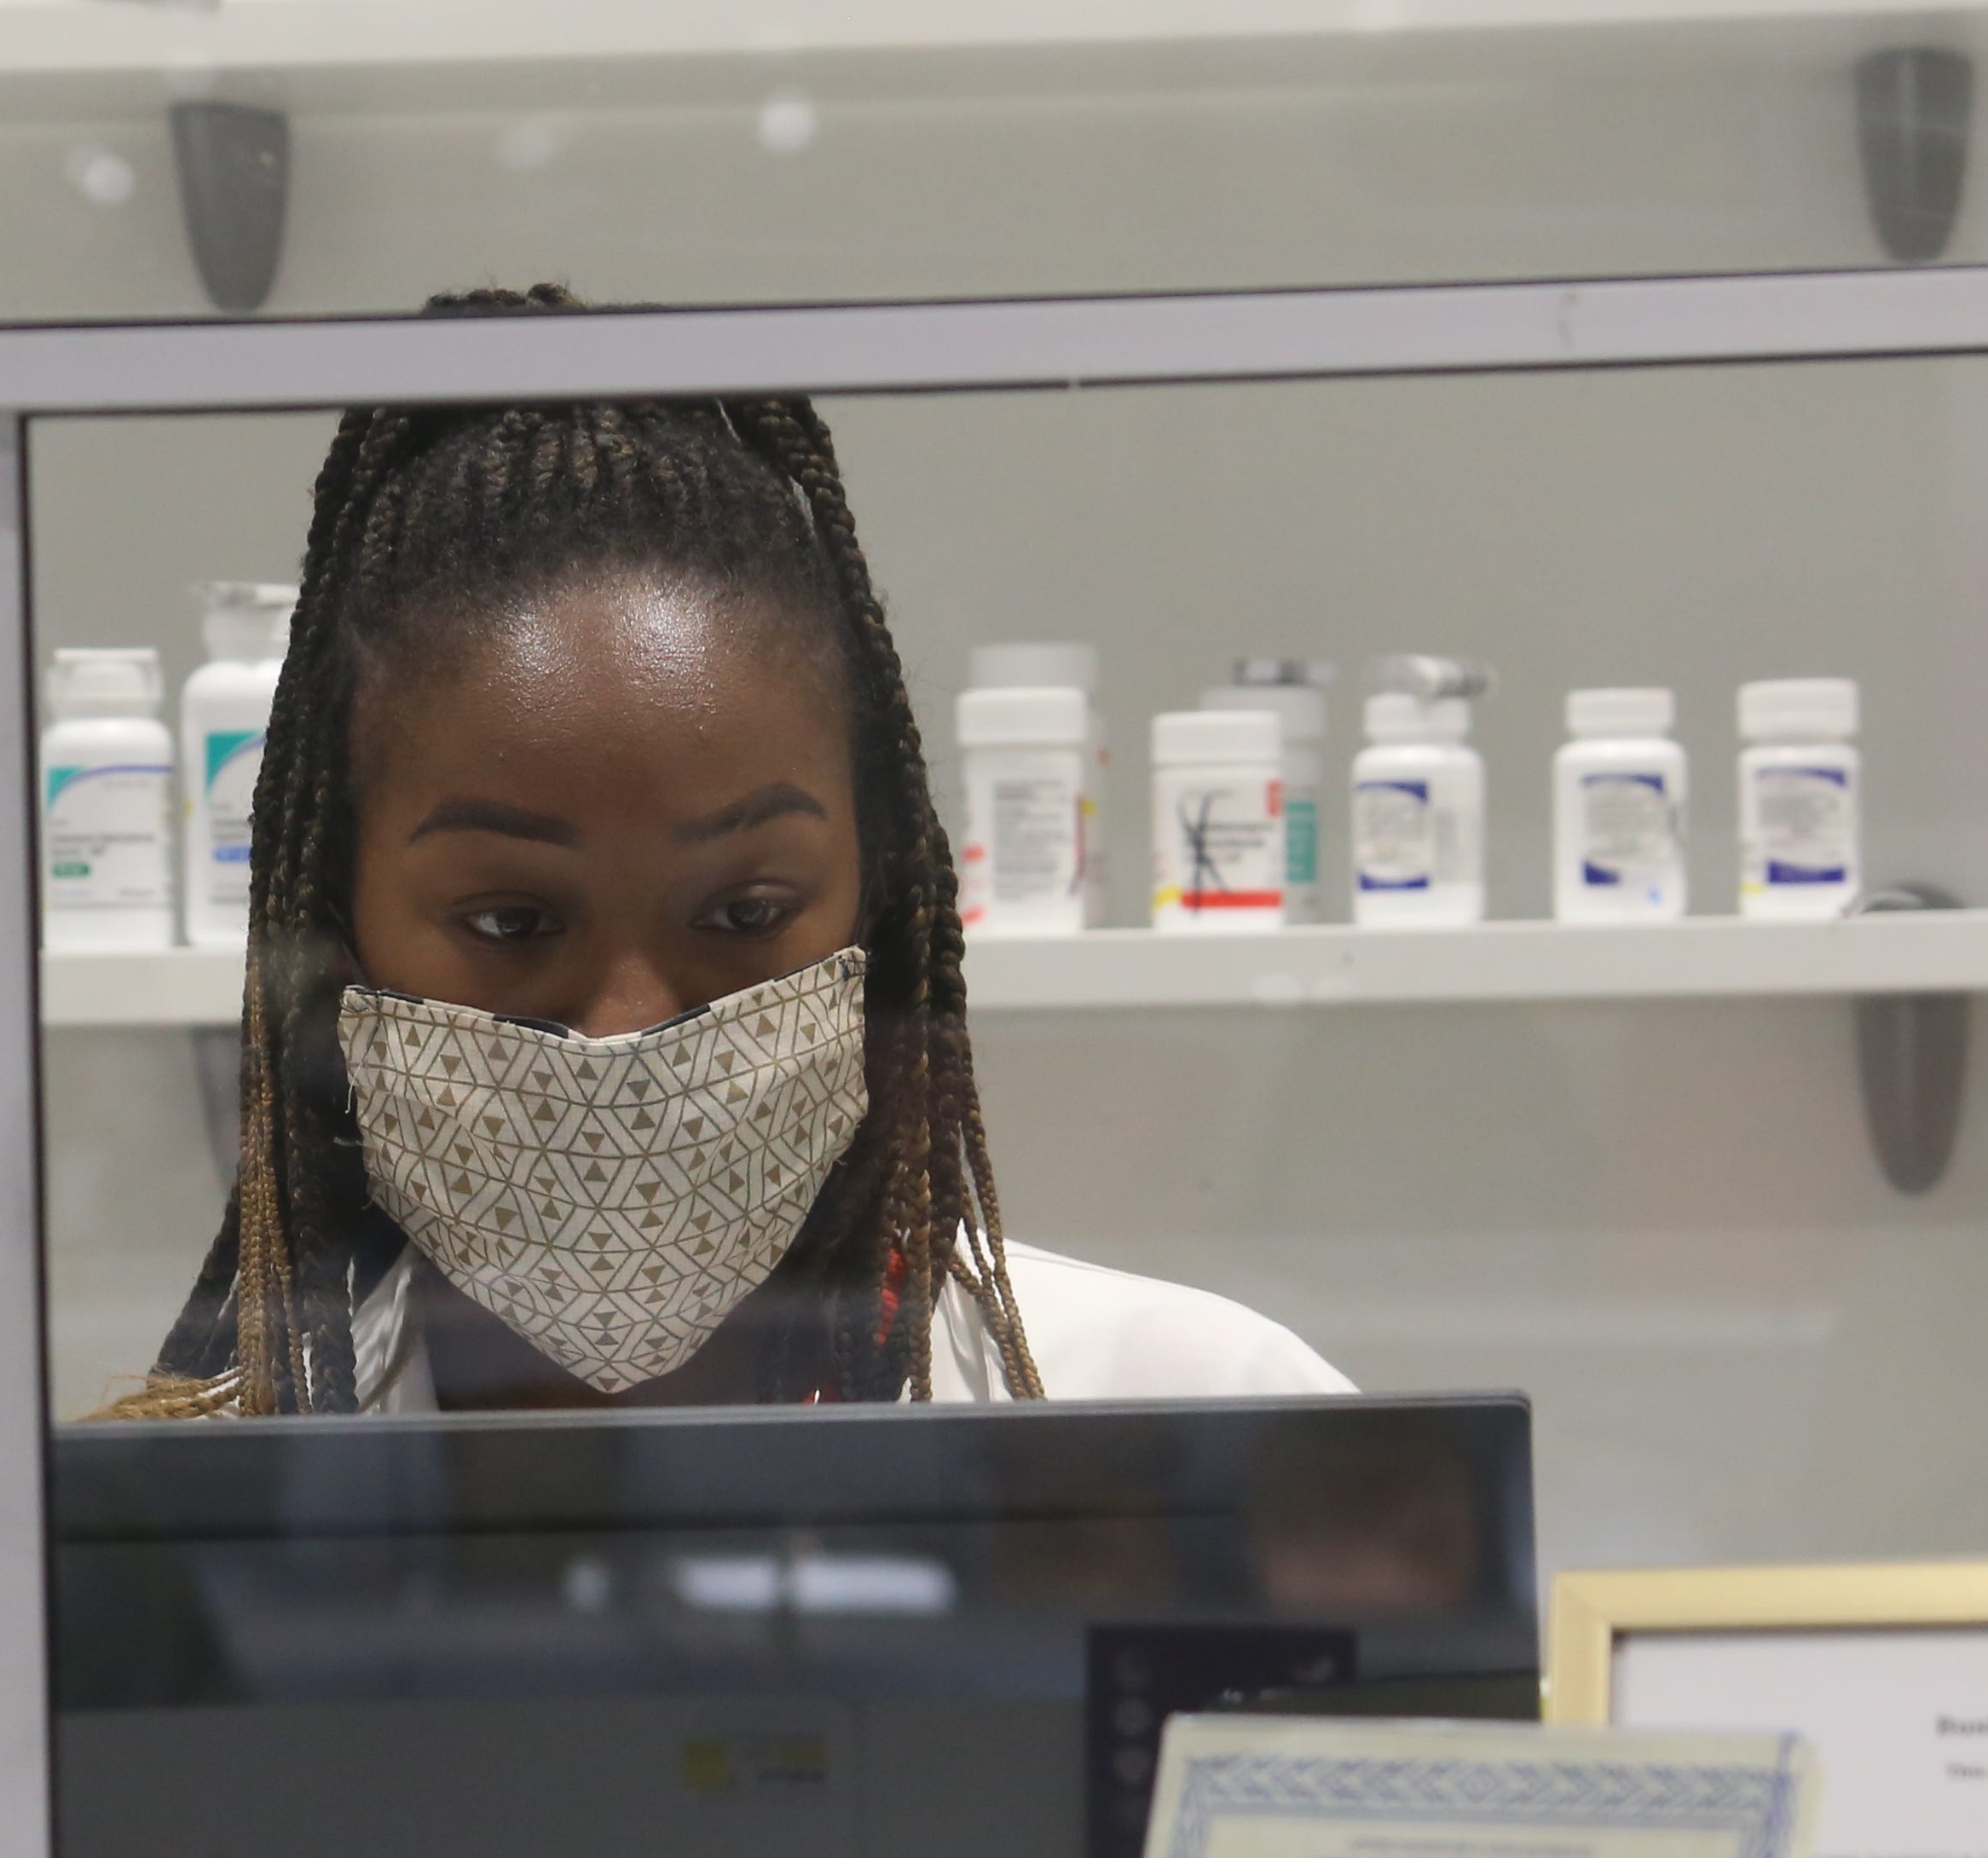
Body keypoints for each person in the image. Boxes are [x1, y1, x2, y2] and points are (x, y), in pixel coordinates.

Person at [114, 287, 1346, 1419]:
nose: (627, 1035)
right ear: (337, 931)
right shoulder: (182, 1523)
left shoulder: (1192, 1418)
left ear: (879, 900)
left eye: (746, 911)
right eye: (510, 923)